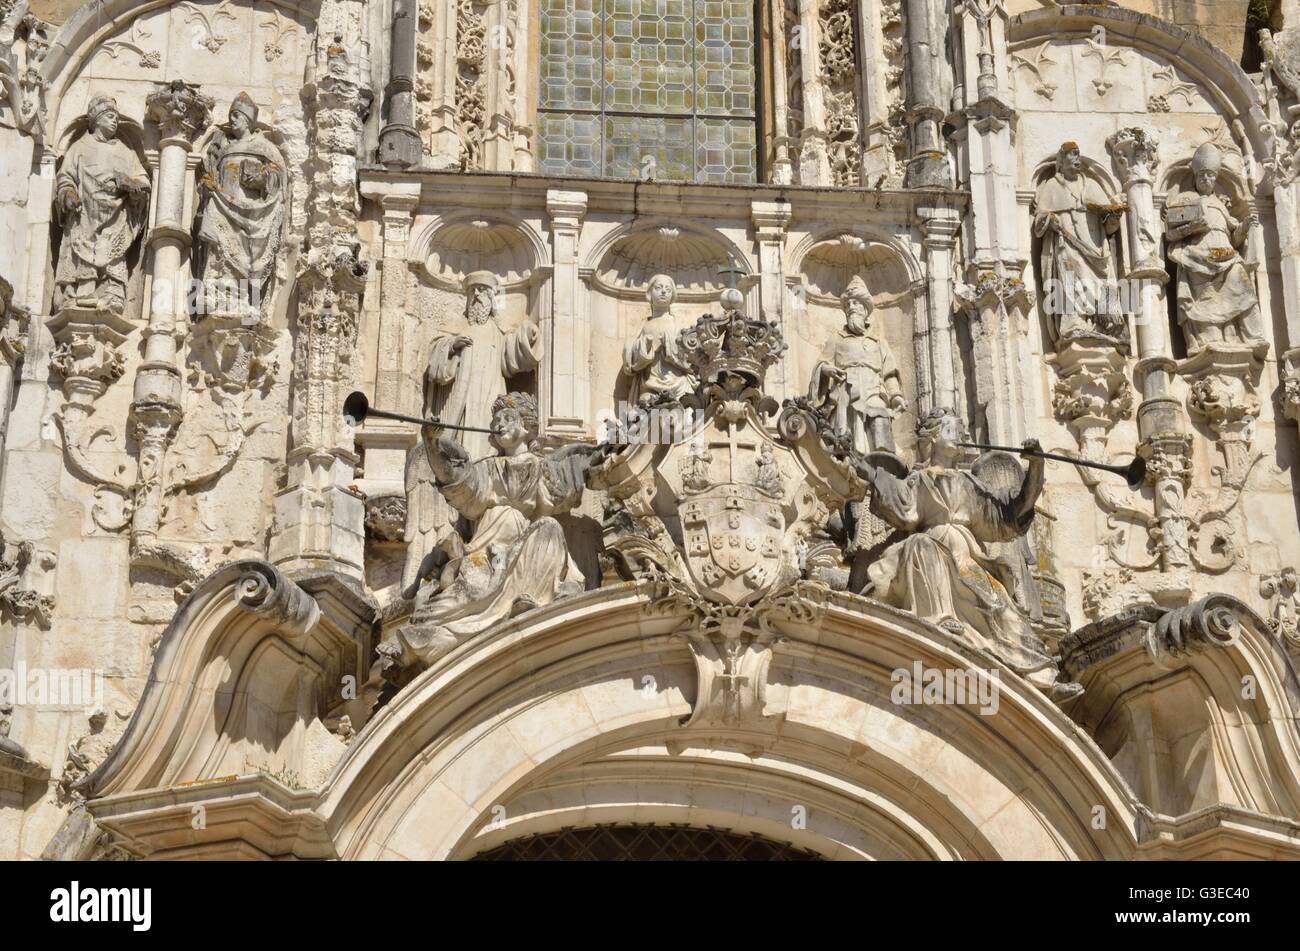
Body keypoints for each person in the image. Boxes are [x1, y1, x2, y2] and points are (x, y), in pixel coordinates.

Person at [858, 407, 1082, 702]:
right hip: (934, 547)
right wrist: (872, 474)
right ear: (934, 437)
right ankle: (941, 620)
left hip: (966, 556)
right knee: (921, 548)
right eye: (953, 430)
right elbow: (899, 503)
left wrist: (1036, 469)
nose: (961, 435)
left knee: (1002, 608)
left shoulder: (970, 485)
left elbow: (1010, 514)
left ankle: (1042, 679)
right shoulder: (919, 481)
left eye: (962, 430)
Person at [54, 96, 150, 314]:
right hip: (84, 212)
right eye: (109, 116)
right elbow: (66, 177)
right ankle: (79, 292)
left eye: (116, 117)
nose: (115, 121)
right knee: (80, 248)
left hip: (116, 215)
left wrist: (134, 188)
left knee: (113, 252)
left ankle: (112, 293)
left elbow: (142, 180)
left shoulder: (127, 152)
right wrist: (68, 194)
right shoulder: (78, 147)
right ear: (96, 119)